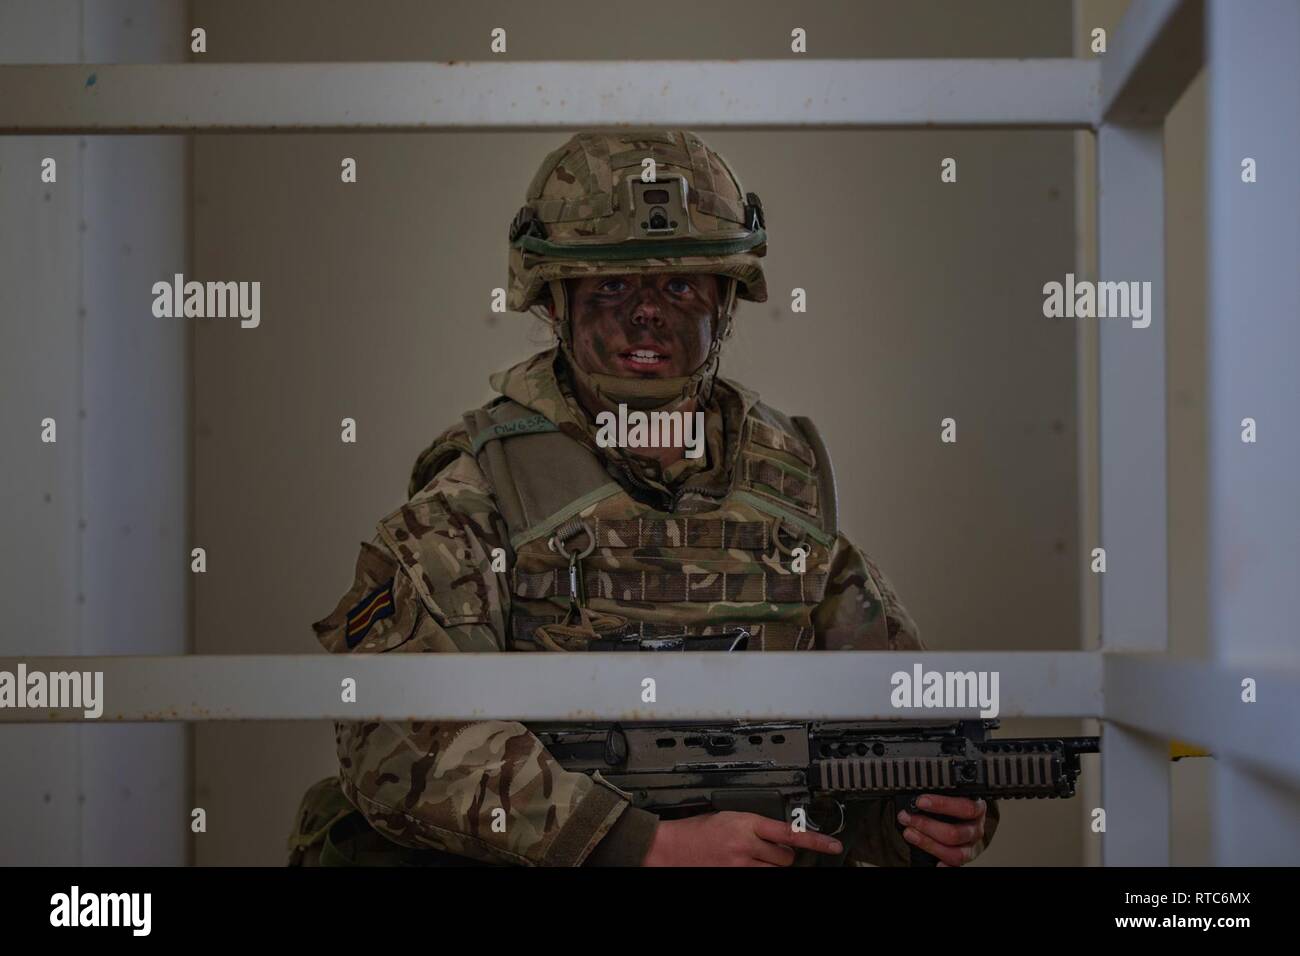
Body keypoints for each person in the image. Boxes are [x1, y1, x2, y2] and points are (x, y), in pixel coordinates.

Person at [287, 130, 999, 867]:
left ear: (725, 301)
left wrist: (929, 811)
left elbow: (901, 713)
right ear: (554, 301)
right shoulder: (481, 492)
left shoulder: (783, 490)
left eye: (680, 286)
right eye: (612, 287)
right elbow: (398, 738)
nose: (647, 314)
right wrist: (643, 845)